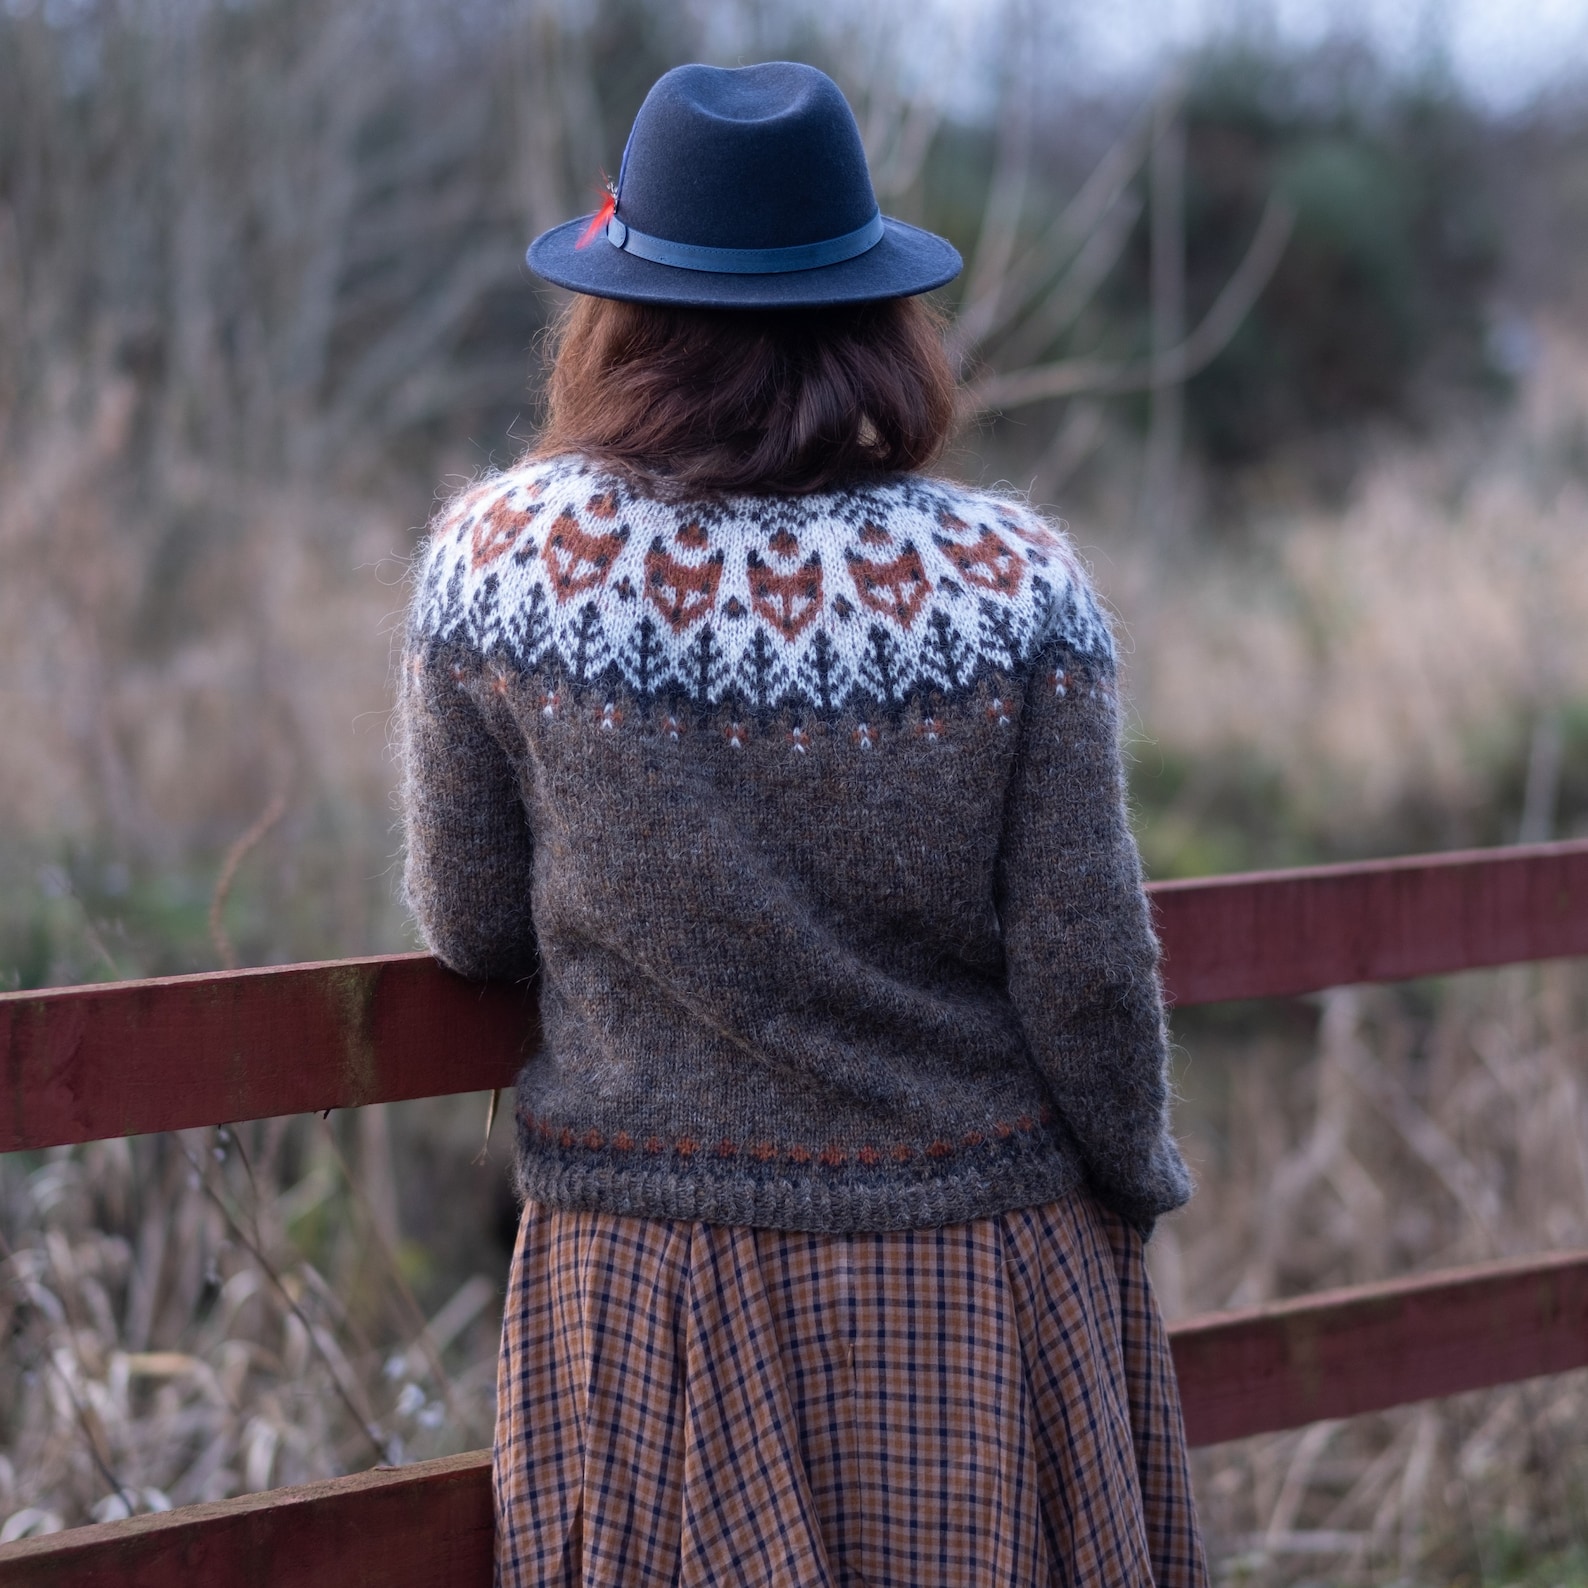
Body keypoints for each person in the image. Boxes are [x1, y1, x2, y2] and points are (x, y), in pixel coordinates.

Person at [399, 60, 1208, 1588]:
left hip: (645, 1277)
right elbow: (1086, 962)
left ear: (616, 313)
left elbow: (473, 923)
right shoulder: (1014, 582)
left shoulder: (499, 566)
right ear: (876, 312)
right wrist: (1133, 1181)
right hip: (973, 1259)